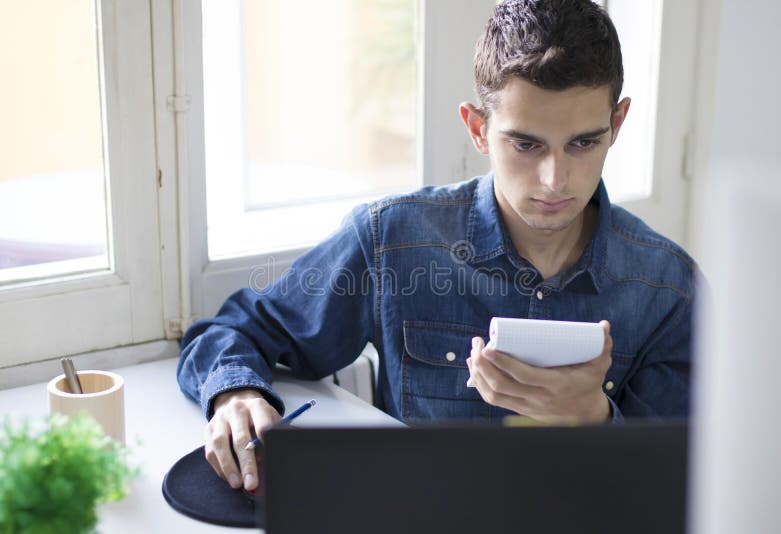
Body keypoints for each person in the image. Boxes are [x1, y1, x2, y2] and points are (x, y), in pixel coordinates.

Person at [178, 0, 699, 494]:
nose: (554, 179)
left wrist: (595, 420)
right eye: (526, 143)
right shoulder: (393, 241)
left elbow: (682, 486)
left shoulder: (671, 289)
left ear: (618, 124)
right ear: (478, 128)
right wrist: (236, 392)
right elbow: (236, 330)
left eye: (583, 143)